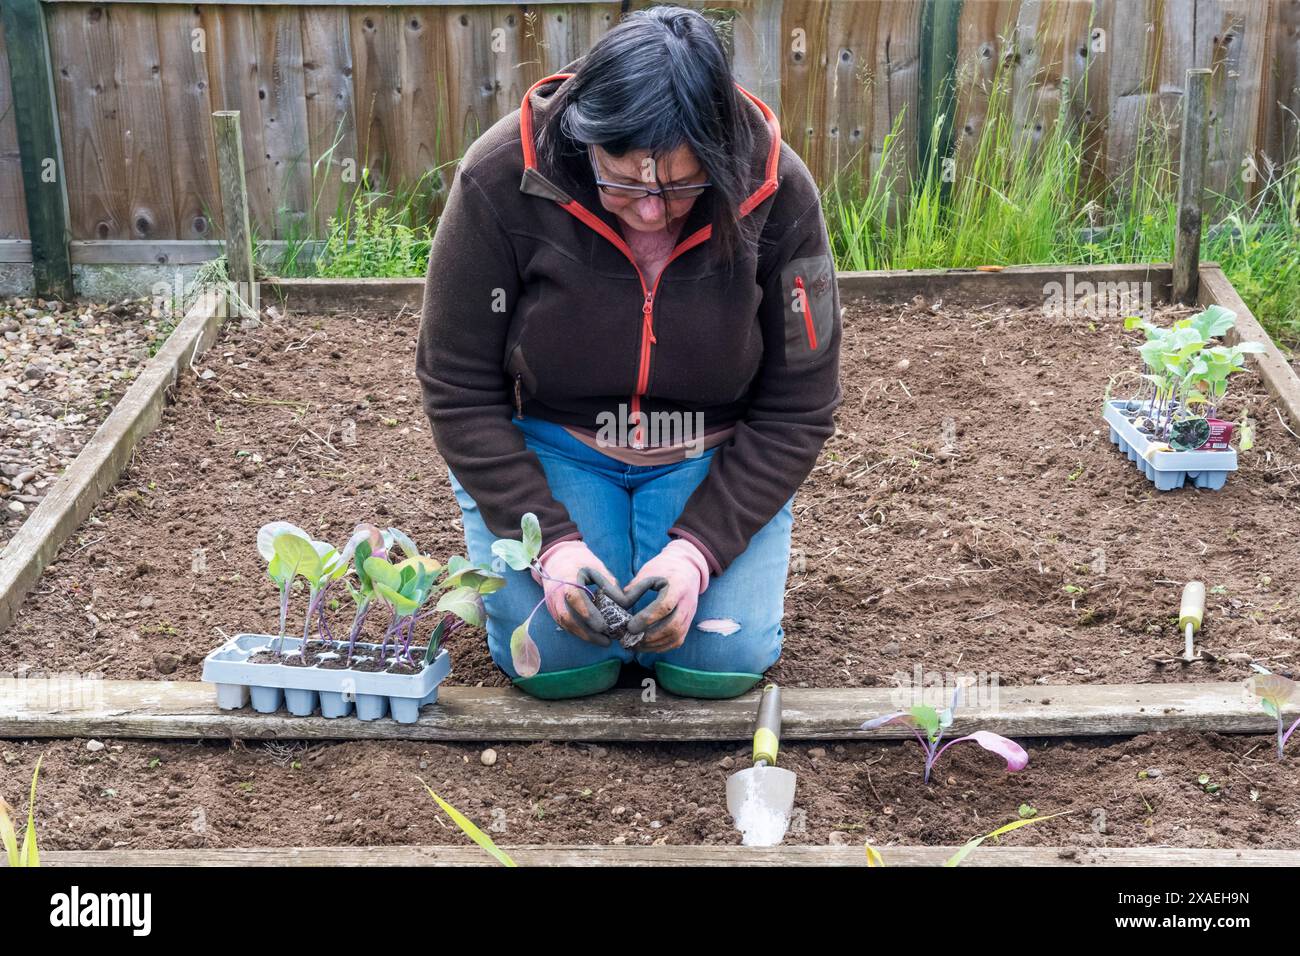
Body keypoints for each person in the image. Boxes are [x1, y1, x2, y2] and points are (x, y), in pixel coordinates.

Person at [416, 6, 842, 700]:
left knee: (716, 663)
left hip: (707, 455)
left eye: (680, 186)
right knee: (558, 664)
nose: (651, 210)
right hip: (558, 446)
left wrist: (698, 553)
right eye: (625, 182)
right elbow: (457, 385)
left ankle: (688, 566)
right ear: (587, 137)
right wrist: (550, 542)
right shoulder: (500, 178)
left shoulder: (781, 192)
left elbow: (801, 405)